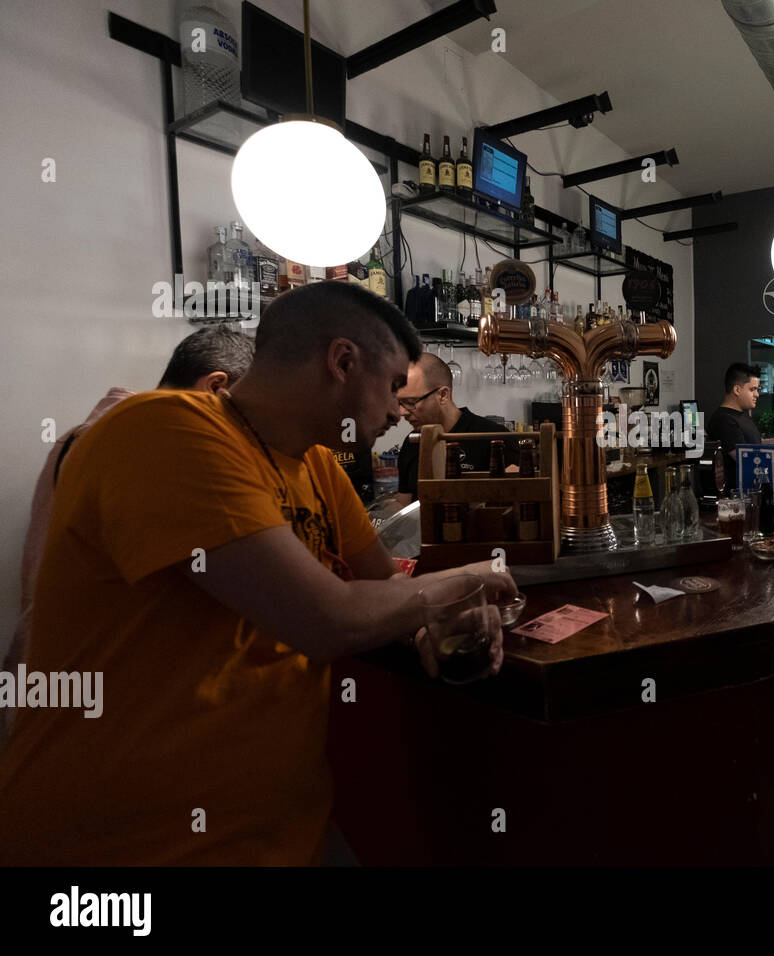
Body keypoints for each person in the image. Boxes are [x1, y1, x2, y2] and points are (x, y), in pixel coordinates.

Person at [0, 283, 516, 865]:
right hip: (127, 846)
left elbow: (385, 589)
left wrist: (431, 628)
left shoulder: (319, 465)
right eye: (394, 385)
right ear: (342, 362)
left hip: (284, 829)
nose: (399, 409)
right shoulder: (163, 429)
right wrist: (464, 583)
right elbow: (325, 618)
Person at [3, 326, 255, 696]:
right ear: (215, 386)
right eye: (245, 408)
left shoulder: (84, 432)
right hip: (97, 679)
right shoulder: (150, 443)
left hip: (54, 665)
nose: (248, 427)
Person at [395, 352, 510, 504]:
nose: (402, 412)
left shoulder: (494, 438)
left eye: (410, 402)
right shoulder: (411, 443)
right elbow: (404, 505)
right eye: (400, 403)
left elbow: (515, 503)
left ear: (443, 395)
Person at [706, 362, 762, 492]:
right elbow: (745, 457)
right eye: (752, 389)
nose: (757, 394)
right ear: (737, 390)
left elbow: (752, 442)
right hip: (737, 496)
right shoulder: (723, 420)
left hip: (751, 490)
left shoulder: (741, 415)